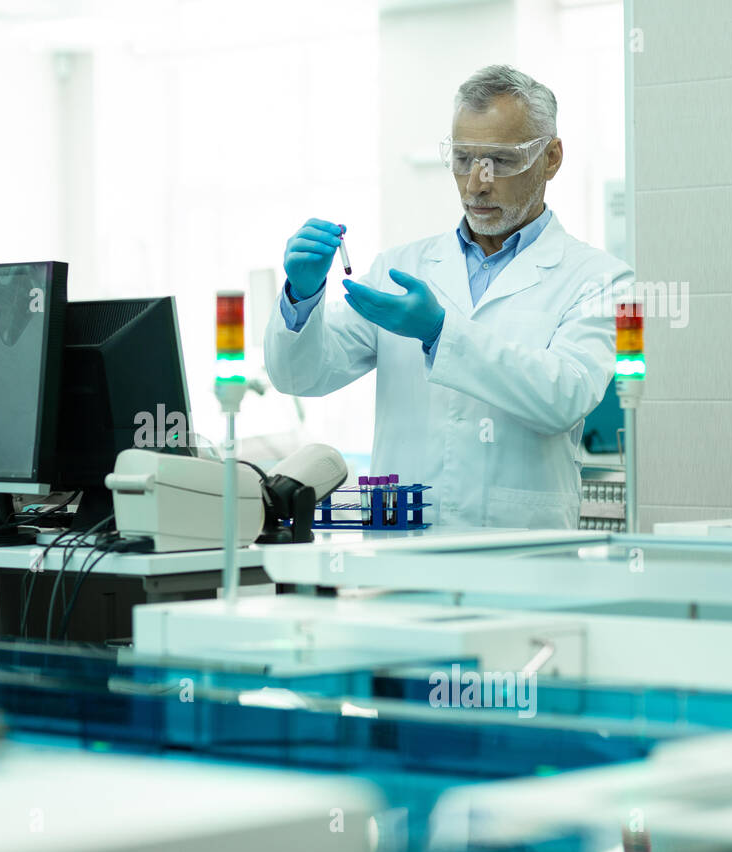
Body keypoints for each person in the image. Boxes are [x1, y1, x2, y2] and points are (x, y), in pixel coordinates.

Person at [265, 64, 633, 529]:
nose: (476, 183)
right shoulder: (401, 268)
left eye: (499, 161)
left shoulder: (598, 279)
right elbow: (301, 376)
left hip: (518, 557)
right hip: (401, 551)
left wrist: (440, 333)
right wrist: (302, 294)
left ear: (552, 158)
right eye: (463, 159)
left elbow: (564, 396)